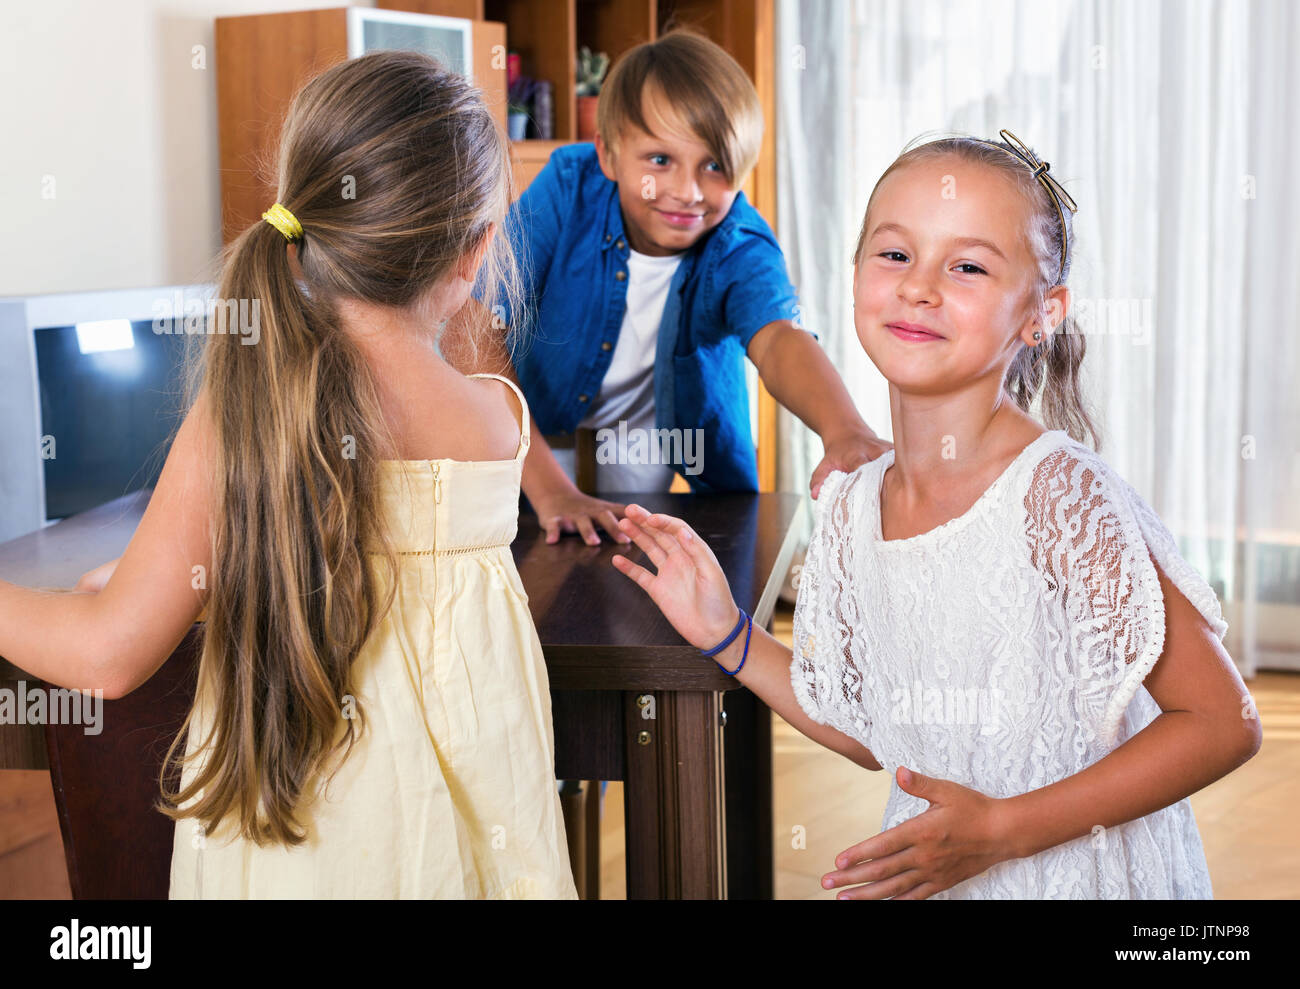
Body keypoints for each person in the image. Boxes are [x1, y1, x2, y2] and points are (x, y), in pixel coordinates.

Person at [608, 130, 1261, 898]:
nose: (919, 287)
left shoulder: (1060, 496)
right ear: (855, 274)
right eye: (895, 254)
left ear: (1042, 313)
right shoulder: (853, 506)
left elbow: (1223, 722)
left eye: (968, 266)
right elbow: (865, 729)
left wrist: (1001, 830)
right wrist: (727, 630)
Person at [0, 50, 577, 899]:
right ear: (475, 251)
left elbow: (108, 655)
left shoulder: (250, 410)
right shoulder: (496, 424)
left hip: (296, 849)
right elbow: (383, 539)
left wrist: (165, 574)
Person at [479, 29, 890, 545]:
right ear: (608, 155)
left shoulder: (740, 242)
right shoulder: (569, 184)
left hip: (647, 434)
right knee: (535, 540)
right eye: (659, 160)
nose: (688, 192)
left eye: (714, 166)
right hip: (539, 418)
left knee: (630, 550)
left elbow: (779, 340)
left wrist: (844, 429)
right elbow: (478, 322)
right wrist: (548, 488)